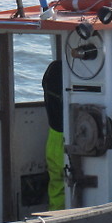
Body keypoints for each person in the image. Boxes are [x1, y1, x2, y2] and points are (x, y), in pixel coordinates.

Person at [42, 60, 66, 211]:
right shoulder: (65, 73)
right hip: (66, 138)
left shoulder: (53, 69)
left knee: (57, 187)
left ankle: (53, 221)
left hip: (53, 136)